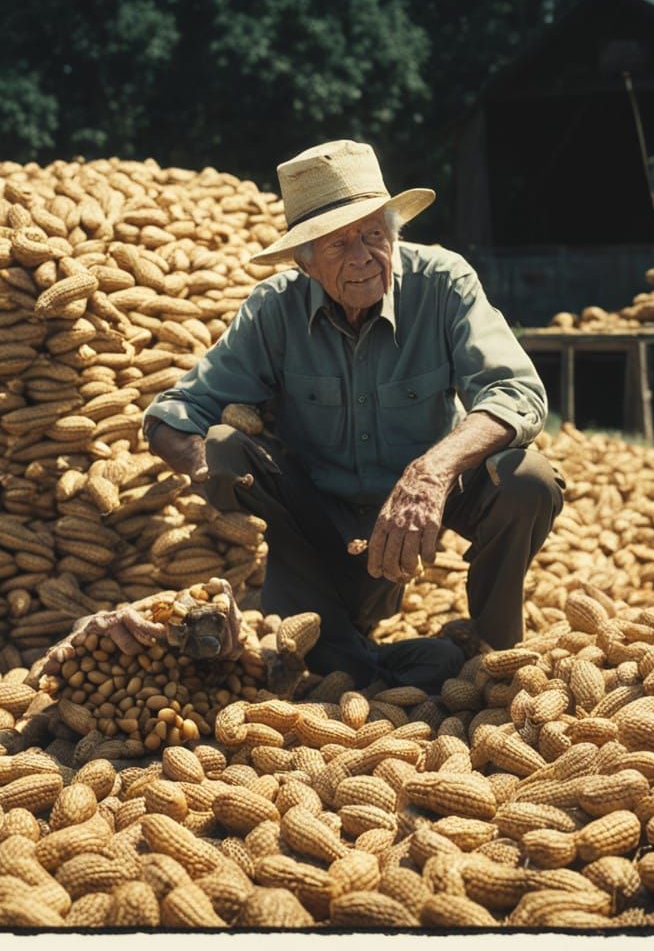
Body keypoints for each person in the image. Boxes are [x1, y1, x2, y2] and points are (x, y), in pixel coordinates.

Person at [143, 139, 564, 692]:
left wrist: (431, 473)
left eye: (374, 233)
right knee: (327, 669)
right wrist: (212, 478)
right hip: (320, 509)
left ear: (394, 233)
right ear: (306, 260)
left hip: (432, 493)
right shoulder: (274, 309)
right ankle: (353, 624)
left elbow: (517, 391)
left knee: (526, 479)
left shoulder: (443, 283)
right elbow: (170, 415)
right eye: (341, 243)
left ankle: (494, 642)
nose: (364, 255)